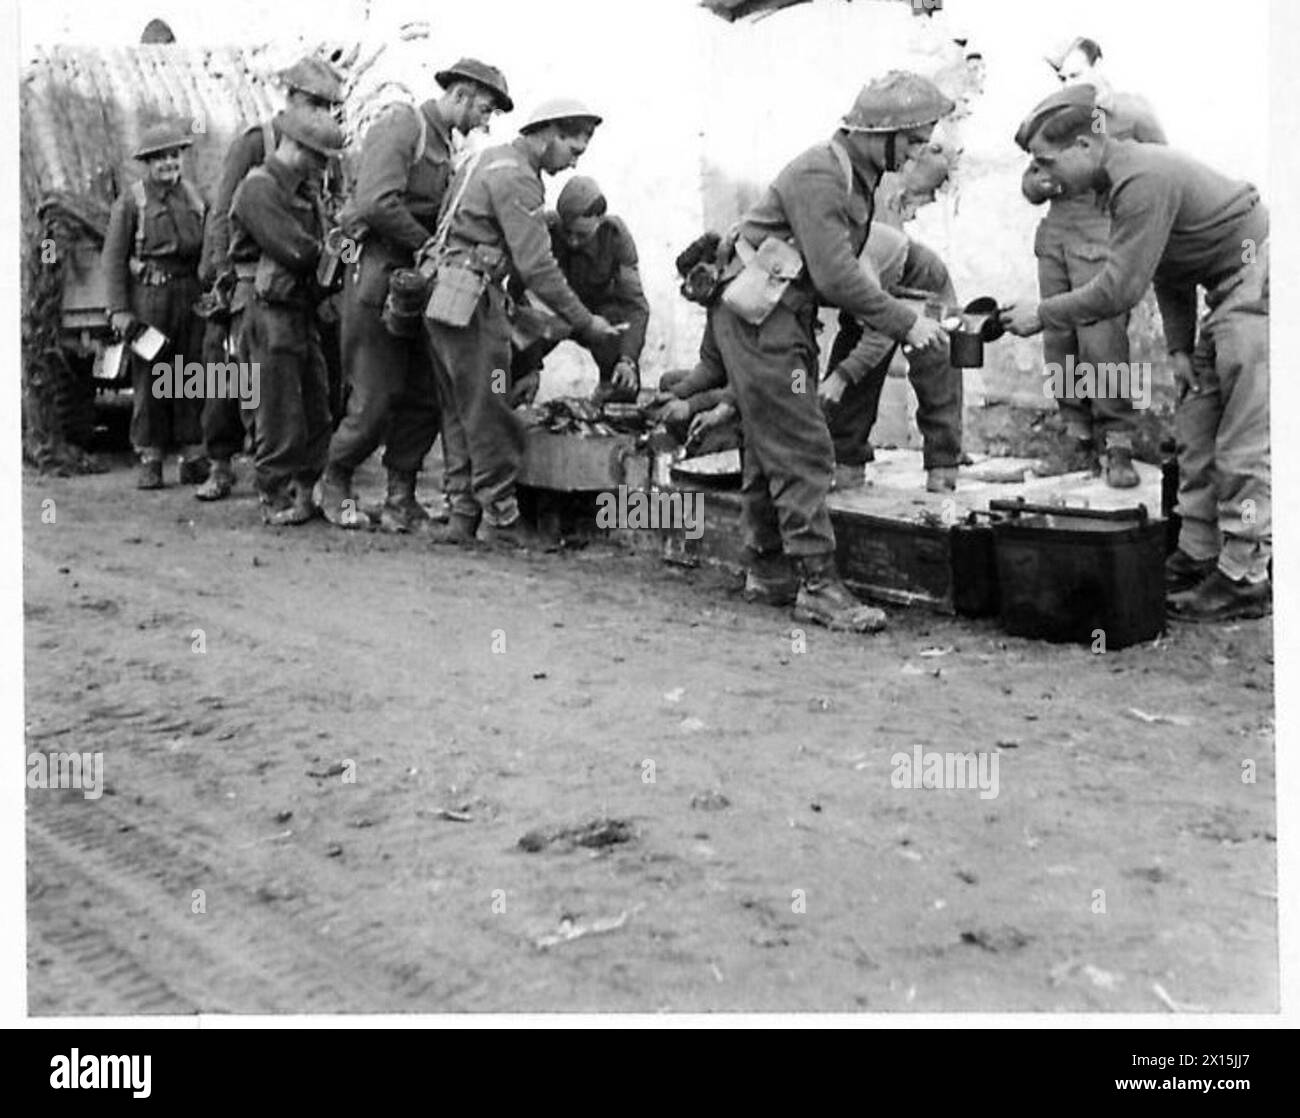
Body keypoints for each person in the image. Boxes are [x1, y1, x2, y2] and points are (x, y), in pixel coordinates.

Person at [1003, 85, 1270, 621]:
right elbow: (1169, 266)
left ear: (1084, 145)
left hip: (1257, 279)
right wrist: (1177, 345)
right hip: (1224, 285)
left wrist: (1044, 313)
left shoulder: (1140, 177)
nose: (1041, 172)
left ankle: (1247, 574)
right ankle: (1198, 555)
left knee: (1241, 437)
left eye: (1046, 160)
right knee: (1196, 427)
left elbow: (1121, 290)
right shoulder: (1115, 183)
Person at [705, 71, 953, 632]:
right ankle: (818, 586)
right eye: (912, 139)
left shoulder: (854, 176)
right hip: (761, 320)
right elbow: (837, 276)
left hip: (777, 317)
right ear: (877, 132)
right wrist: (903, 320)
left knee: (770, 441)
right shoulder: (822, 172)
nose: (917, 152)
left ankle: (768, 569)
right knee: (804, 444)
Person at [319, 58, 513, 533]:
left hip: (418, 281)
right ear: (461, 95)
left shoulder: (447, 146)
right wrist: (428, 244)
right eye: (484, 109)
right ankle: (334, 480)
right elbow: (375, 202)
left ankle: (399, 497)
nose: (485, 121)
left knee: (425, 393)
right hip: (377, 275)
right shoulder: (404, 124)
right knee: (375, 396)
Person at [423, 99, 626, 547]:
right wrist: (585, 321)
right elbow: (538, 267)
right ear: (548, 132)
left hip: (445, 297)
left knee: (459, 409)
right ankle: (502, 518)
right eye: (573, 148)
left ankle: (462, 514)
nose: (573, 161)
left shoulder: (485, 159)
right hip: (474, 302)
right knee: (493, 405)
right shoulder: (517, 176)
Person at [195, 56, 346, 501]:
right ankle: (225, 468)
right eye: (313, 101)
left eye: (328, 105)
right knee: (238, 387)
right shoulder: (256, 147)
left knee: (311, 392)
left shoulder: (315, 165)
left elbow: (329, 222)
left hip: (297, 294)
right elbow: (224, 212)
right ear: (293, 99)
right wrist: (221, 278)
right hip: (253, 286)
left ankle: (301, 484)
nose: (320, 111)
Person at [1020, 36, 1167, 487]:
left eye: (1076, 73)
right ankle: (1076, 438)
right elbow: (1029, 183)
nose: (1068, 83)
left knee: (1101, 343)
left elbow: (1160, 164)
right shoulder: (1054, 119)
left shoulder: (1127, 114)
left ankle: (1117, 443)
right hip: (1057, 238)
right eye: (1061, 76)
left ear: (1100, 67)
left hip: (1101, 238)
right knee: (1058, 340)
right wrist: (1042, 183)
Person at [229, 109, 345, 525]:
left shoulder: (306, 190)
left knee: (316, 400)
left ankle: (305, 488)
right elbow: (298, 251)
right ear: (293, 146)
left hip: (301, 310)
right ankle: (274, 492)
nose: (322, 166)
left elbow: (323, 247)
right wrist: (334, 254)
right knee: (277, 407)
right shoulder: (258, 188)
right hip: (270, 310)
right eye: (317, 156)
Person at [101, 122, 207, 489]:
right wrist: (119, 310)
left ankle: (193, 454)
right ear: (146, 163)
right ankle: (150, 457)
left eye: (174, 155)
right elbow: (114, 259)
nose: (168, 163)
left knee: (190, 374)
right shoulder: (132, 202)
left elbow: (208, 247)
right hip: (151, 299)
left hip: (190, 296)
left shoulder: (193, 197)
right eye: (160, 157)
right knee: (151, 377)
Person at [820, 222, 962, 491]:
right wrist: (799, 385)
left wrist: (840, 377)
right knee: (850, 363)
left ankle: (943, 470)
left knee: (932, 362)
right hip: (871, 287)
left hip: (917, 276)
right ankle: (846, 466)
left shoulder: (846, 255)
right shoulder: (785, 263)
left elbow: (882, 331)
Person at [509, 176, 649, 406]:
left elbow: (636, 306)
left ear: (600, 220)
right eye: (568, 232)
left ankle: (612, 408)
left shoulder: (616, 236)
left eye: (582, 235)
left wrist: (628, 360)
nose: (573, 242)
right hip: (552, 315)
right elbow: (517, 293)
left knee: (623, 380)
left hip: (598, 320)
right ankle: (497, 405)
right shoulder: (543, 230)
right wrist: (530, 365)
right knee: (500, 360)